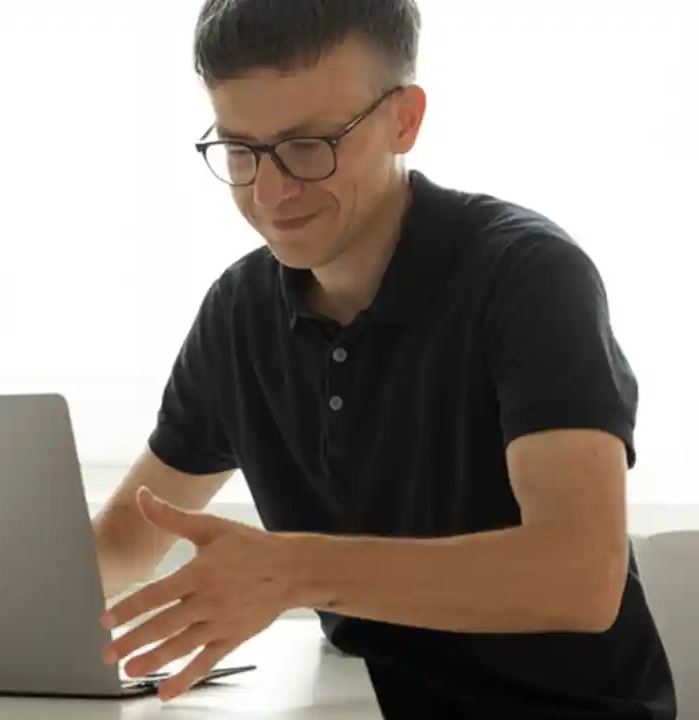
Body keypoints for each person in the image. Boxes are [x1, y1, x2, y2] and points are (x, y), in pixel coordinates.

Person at [90, 1, 676, 717]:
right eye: (240, 151)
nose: (269, 194)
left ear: (404, 120)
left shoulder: (527, 275)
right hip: (359, 706)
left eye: (308, 146)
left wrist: (293, 572)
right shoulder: (239, 311)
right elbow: (125, 539)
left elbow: (579, 577)